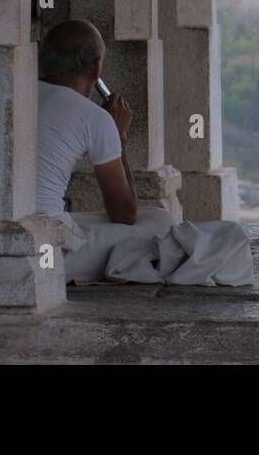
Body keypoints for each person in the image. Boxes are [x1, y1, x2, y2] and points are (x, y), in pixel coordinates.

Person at [37, 19, 174, 282]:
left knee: (152, 215)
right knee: (161, 223)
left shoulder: (17, 94)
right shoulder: (95, 117)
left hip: (12, 227)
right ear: (96, 66)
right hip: (49, 251)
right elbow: (124, 214)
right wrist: (118, 135)